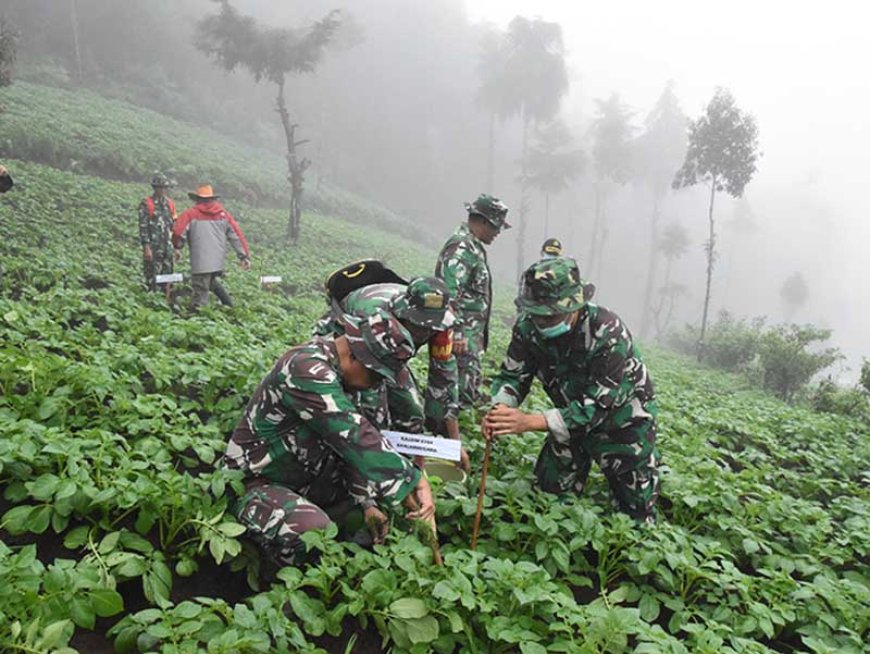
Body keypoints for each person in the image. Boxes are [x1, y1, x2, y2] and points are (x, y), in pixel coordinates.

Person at [223, 313, 437, 566]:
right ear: (356, 357)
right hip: (255, 485)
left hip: (305, 480)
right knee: (314, 532)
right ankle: (277, 574)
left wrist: (367, 503)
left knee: (374, 512)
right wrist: (414, 480)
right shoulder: (305, 368)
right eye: (376, 376)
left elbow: (348, 451)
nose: (374, 386)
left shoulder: (343, 378)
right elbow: (353, 435)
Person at [483, 257, 660, 523]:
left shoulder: (607, 331)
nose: (543, 322)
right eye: (537, 314)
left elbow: (597, 407)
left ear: (575, 304)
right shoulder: (527, 327)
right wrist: (501, 408)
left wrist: (530, 421)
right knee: (548, 497)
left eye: (551, 315)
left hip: (622, 422)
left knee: (635, 508)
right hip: (567, 416)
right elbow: (513, 374)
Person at [314, 274, 469, 471]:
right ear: (404, 313)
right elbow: (369, 378)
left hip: (389, 353)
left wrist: (453, 444)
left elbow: (444, 379)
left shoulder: (441, 325)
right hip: (345, 338)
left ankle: (407, 466)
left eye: (430, 327)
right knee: (366, 413)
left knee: (411, 413)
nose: (425, 332)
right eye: (419, 325)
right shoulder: (373, 317)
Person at [435, 194, 510, 407]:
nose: (498, 233)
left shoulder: (472, 247)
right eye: (497, 227)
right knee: (454, 399)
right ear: (484, 221)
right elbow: (448, 293)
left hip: (469, 338)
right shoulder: (462, 248)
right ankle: (448, 436)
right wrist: (456, 333)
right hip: (460, 340)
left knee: (464, 393)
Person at [172, 184, 250, 309]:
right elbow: (237, 236)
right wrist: (244, 256)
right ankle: (229, 305)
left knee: (200, 291)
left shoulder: (190, 214)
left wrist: (177, 246)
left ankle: (199, 316)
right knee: (211, 282)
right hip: (217, 260)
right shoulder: (224, 215)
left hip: (201, 261)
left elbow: (177, 232)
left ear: (197, 199)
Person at [138, 172, 177, 292]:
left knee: (167, 276)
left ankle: (166, 299)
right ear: (155, 188)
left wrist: (176, 247)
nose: (163, 190)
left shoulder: (170, 204)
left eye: (165, 188)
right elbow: (143, 227)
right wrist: (146, 247)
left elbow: (174, 226)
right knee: (153, 276)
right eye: (160, 187)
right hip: (154, 247)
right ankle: (152, 299)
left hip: (167, 247)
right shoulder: (146, 204)